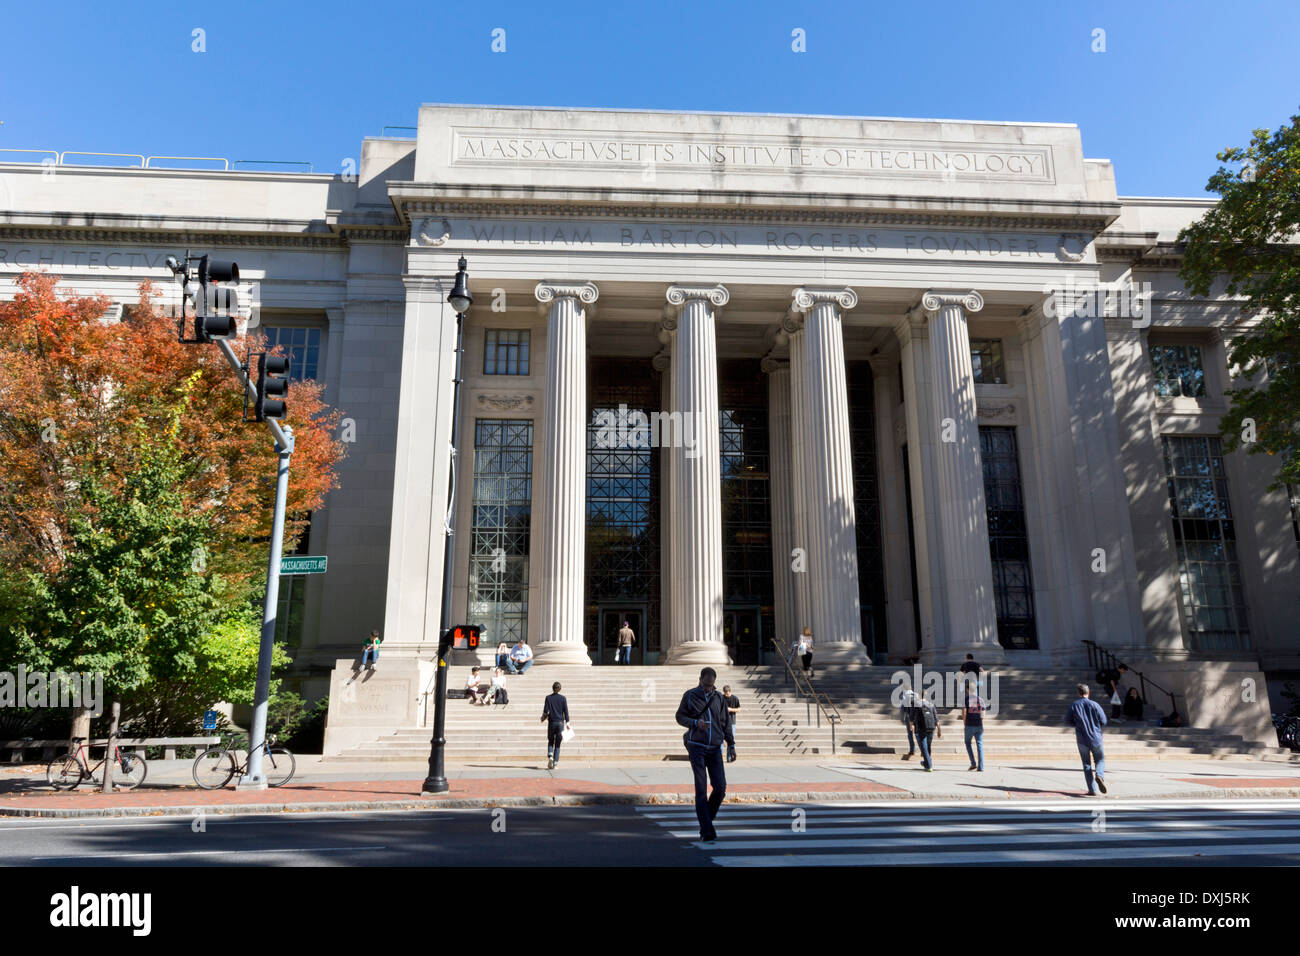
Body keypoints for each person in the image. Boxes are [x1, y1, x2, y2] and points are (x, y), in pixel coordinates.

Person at [675, 667, 736, 843]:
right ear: (700, 679)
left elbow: (725, 723)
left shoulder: (718, 698)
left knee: (721, 787)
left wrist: (731, 744)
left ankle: (706, 820)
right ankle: (707, 830)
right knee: (701, 790)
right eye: (706, 683)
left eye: (711, 684)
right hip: (697, 747)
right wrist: (695, 723)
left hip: (715, 748)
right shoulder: (690, 695)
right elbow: (679, 716)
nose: (708, 687)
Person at [1067, 683, 1108, 795]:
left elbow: (1068, 721)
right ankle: (1099, 775)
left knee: (1086, 764)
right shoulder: (1095, 704)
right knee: (1100, 760)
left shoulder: (1074, 705)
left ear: (1078, 693)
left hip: (1082, 739)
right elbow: (1104, 720)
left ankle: (1092, 789)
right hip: (1096, 738)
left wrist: (1077, 725)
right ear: (1088, 692)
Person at [907, 692, 941, 771]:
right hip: (931, 728)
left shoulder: (916, 704)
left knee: (924, 748)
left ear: (918, 696)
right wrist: (939, 729)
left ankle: (929, 765)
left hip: (921, 728)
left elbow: (911, 716)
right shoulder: (931, 704)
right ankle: (926, 762)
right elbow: (936, 718)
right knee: (928, 746)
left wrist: (911, 725)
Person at [540, 681, 570, 769]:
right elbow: (566, 712)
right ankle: (555, 763)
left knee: (550, 740)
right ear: (560, 689)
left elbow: (546, 711)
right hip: (560, 723)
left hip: (552, 722)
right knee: (557, 744)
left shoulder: (548, 698)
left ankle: (550, 755)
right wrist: (568, 723)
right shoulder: (563, 698)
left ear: (552, 688)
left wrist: (542, 718)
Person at [961, 679, 987, 772]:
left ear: (968, 689)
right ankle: (981, 766)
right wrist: (980, 721)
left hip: (969, 724)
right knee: (979, 744)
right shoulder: (981, 699)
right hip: (979, 724)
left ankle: (973, 763)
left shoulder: (966, 699)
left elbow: (964, 712)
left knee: (967, 743)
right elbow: (983, 713)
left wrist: (964, 722)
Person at [899, 687, 918, 760]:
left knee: (910, 734)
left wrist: (901, 719)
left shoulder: (904, 696)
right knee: (918, 734)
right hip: (917, 717)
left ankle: (912, 749)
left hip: (909, 717)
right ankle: (923, 749)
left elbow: (902, 709)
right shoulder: (916, 695)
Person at [722, 684, 740, 760]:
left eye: (728, 692)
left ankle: (729, 757)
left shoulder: (735, 698)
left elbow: (739, 709)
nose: (727, 694)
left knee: (730, 739)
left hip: (732, 721)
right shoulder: (721, 698)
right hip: (722, 721)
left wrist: (730, 709)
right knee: (720, 739)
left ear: (730, 691)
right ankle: (718, 756)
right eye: (725, 693)